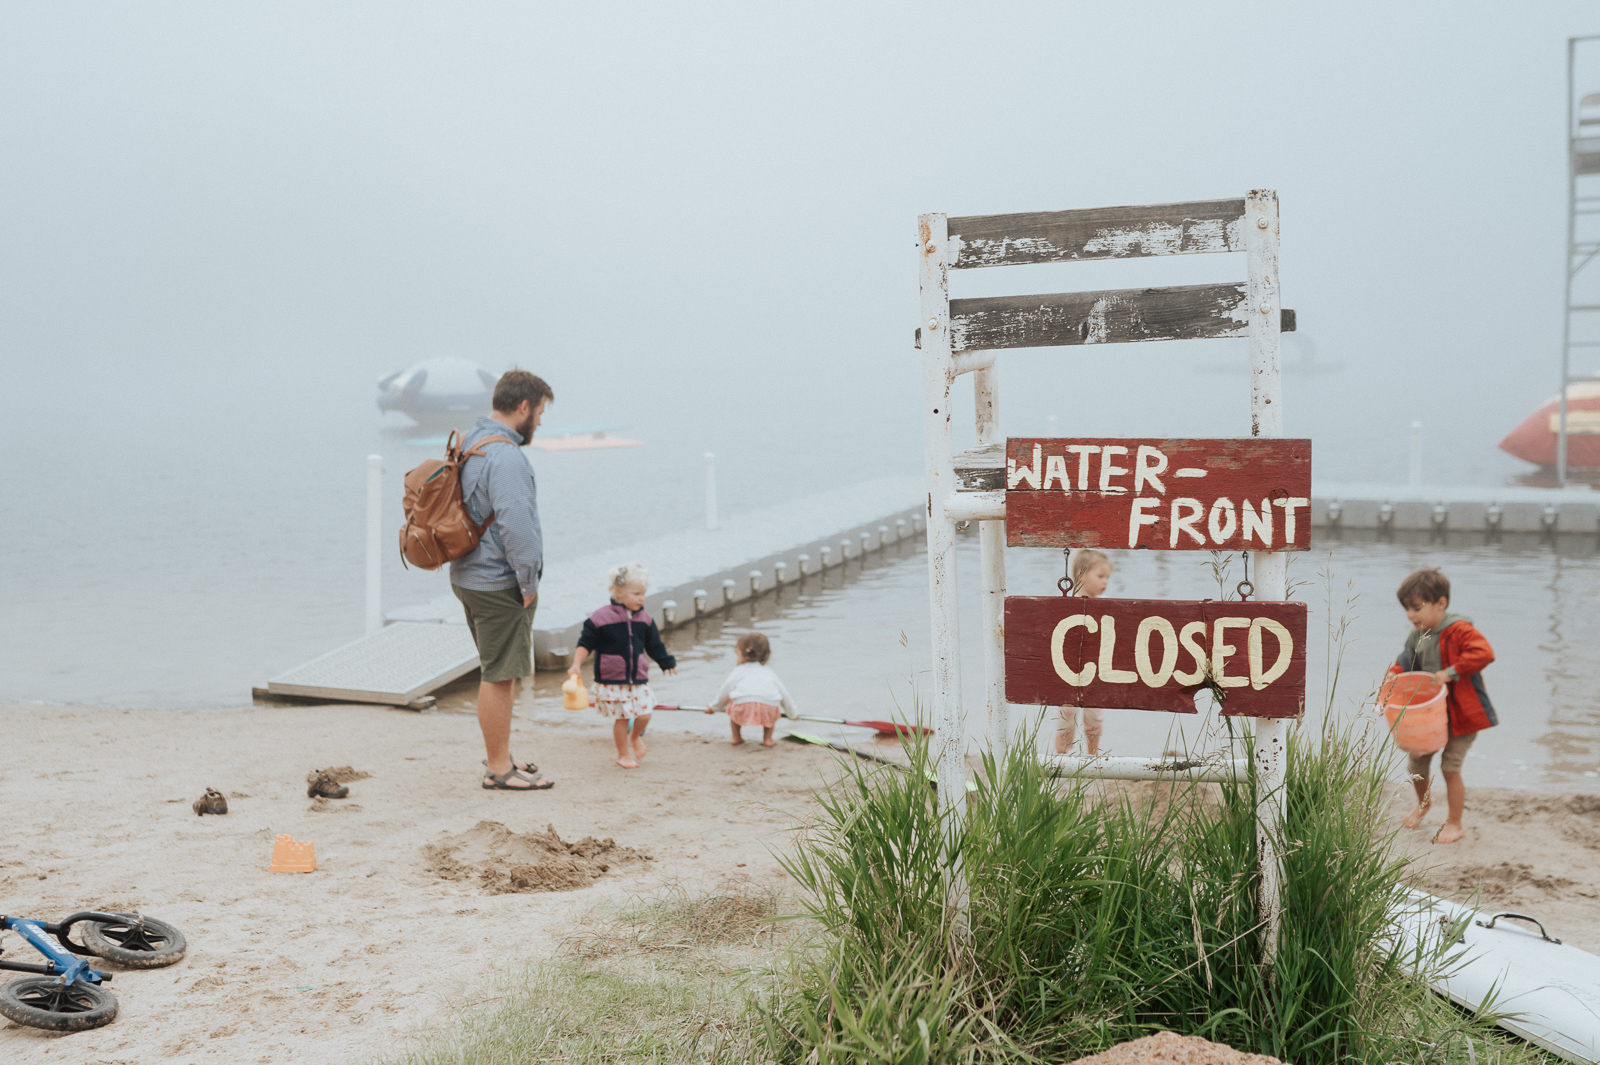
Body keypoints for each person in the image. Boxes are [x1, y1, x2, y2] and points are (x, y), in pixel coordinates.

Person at [452, 369, 555, 792]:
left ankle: (500, 754)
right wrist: (528, 582)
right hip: (498, 581)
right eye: (540, 413)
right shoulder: (507, 456)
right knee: (499, 676)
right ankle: (498, 768)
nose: (540, 423)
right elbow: (517, 525)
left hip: (468, 573)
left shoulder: (471, 442)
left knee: (495, 671)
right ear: (524, 406)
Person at [1389, 567, 1497, 844]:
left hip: (1462, 715)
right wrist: (1391, 677)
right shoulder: (1417, 636)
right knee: (1416, 763)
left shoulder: (1459, 630)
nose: (1410, 615)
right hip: (1428, 716)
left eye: (1416, 608)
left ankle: (1455, 823)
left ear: (1441, 603)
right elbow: (1404, 663)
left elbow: (1484, 653)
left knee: (1450, 767)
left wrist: (1450, 672)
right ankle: (1423, 804)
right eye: (1407, 609)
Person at [569, 563, 677, 769]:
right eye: (636, 594)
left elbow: (654, 644)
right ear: (619, 592)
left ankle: (635, 737)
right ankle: (623, 754)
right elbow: (585, 644)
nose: (641, 599)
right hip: (613, 679)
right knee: (622, 718)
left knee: (645, 713)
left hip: (638, 677)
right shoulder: (600, 618)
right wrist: (576, 665)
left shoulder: (644, 619)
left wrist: (666, 662)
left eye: (643, 594)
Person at [1054, 549, 1113, 756]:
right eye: (1100, 576)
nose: (1105, 582)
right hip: (1068, 669)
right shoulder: (1068, 603)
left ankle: (1092, 755)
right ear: (1081, 575)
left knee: (1095, 716)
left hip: (1097, 670)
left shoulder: (1107, 605)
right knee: (1067, 712)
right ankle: (1062, 754)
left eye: (1107, 577)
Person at [706, 633, 797, 747]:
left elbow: (724, 691)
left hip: (742, 707)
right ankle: (768, 739)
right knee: (772, 705)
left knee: (732, 705)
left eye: (737, 654)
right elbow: (784, 694)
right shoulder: (769, 672)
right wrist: (792, 714)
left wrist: (713, 707)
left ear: (743, 655)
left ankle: (736, 737)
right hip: (767, 708)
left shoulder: (738, 671)